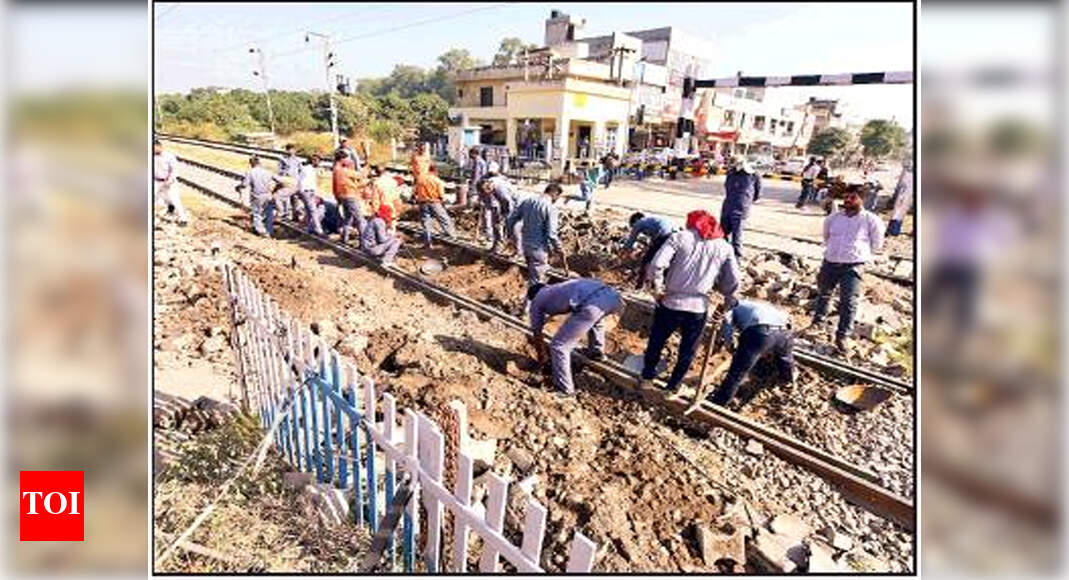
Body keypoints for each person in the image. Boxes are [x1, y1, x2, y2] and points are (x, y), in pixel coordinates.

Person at [639, 210, 740, 392]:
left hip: (670, 302)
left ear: (692, 222)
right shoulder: (725, 247)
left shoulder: (679, 237)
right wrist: (727, 298)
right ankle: (673, 387)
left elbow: (656, 264)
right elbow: (733, 281)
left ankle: (647, 377)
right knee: (688, 350)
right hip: (698, 308)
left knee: (656, 341)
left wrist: (657, 288)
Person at [810, 186, 885, 353]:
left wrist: (858, 254)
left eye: (852, 197)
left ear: (861, 199)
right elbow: (827, 237)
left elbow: (877, 244)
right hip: (830, 262)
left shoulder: (870, 220)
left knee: (849, 301)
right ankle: (817, 323)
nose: (847, 200)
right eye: (846, 197)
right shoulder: (833, 218)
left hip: (853, 265)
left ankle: (843, 335)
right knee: (824, 293)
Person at [527, 278, 624, 396]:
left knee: (559, 346)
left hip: (592, 303)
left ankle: (564, 389)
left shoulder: (537, 300)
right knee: (596, 319)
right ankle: (596, 351)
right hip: (614, 298)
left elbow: (537, 332)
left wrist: (542, 356)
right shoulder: (558, 287)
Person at [708, 299, 797, 408]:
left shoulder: (729, 308)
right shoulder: (754, 304)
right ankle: (789, 377)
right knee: (785, 357)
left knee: (737, 372)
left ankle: (719, 402)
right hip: (785, 333)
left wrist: (730, 346)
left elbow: (727, 329)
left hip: (760, 334)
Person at [506, 182, 566, 286]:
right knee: (537, 281)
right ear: (554, 194)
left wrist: (510, 234)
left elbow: (511, 218)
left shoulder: (528, 201)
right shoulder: (551, 208)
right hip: (538, 248)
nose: (556, 200)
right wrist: (559, 248)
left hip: (526, 245)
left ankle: (531, 298)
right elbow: (551, 234)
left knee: (532, 274)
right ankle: (530, 301)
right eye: (558, 197)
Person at [620, 211, 676, 289]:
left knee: (646, 261)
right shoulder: (652, 220)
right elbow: (653, 240)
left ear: (635, 220)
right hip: (673, 235)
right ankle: (663, 283)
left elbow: (631, 239)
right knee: (664, 260)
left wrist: (624, 252)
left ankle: (640, 285)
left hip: (663, 236)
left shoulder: (639, 222)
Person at [720, 156, 762, 260]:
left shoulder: (753, 175)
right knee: (722, 234)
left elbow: (757, 194)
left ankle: (736, 259)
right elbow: (727, 188)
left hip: (740, 209)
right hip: (728, 207)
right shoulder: (731, 173)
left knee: (736, 236)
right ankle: (723, 256)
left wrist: (745, 202)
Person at [412, 165, 456, 248]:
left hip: (423, 203)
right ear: (436, 171)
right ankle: (452, 236)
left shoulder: (420, 179)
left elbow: (414, 192)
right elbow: (441, 196)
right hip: (434, 202)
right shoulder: (437, 181)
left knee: (426, 223)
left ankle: (427, 243)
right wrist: (443, 202)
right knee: (444, 219)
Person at [235, 155, 279, 237]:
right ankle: (269, 230)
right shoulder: (267, 172)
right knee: (269, 213)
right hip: (268, 195)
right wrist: (275, 190)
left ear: (251, 163)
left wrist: (238, 187)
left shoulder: (250, 172)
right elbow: (279, 181)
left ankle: (261, 231)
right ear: (259, 163)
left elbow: (245, 184)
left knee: (257, 213)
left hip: (257, 196)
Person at [478, 174, 519, 253]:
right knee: (497, 225)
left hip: (515, 205)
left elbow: (508, 203)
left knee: (512, 228)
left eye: (487, 191)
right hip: (503, 204)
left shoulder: (500, 189)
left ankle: (516, 250)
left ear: (488, 186)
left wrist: (505, 216)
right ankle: (498, 245)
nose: (487, 193)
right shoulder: (490, 183)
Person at [333, 151, 367, 244]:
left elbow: (334, 186)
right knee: (360, 219)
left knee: (348, 219)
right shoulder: (344, 170)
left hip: (342, 196)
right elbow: (361, 176)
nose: (349, 160)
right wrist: (366, 167)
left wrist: (337, 198)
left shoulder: (336, 170)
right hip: (350, 196)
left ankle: (345, 238)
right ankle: (365, 242)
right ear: (342, 159)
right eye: (347, 158)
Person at [153, 139, 189, 226]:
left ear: (159, 146)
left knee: (175, 199)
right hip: (156, 181)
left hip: (169, 181)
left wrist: (170, 180)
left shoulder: (169, 157)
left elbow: (174, 170)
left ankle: (183, 219)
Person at [295, 154, 324, 235]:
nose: (319, 163)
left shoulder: (312, 170)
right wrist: (301, 192)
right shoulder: (306, 169)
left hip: (310, 191)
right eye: (318, 161)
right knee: (313, 210)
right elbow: (301, 181)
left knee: (309, 211)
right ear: (313, 161)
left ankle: (309, 229)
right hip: (306, 191)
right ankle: (319, 230)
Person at [276, 144, 302, 220]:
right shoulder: (282, 159)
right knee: (285, 198)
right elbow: (279, 170)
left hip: (295, 181)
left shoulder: (297, 160)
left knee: (295, 199)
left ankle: (295, 216)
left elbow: (301, 171)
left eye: (293, 149)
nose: (291, 151)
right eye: (289, 149)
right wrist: (284, 175)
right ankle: (286, 214)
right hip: (287, 182)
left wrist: (299, 180)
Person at [886, 164, 913, 236]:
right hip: (905, 187)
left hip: (909, 189)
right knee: (898, 208)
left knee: (902, 208)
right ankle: (892, 228)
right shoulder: (908, 167)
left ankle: (894, 229)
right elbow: (902, 177)